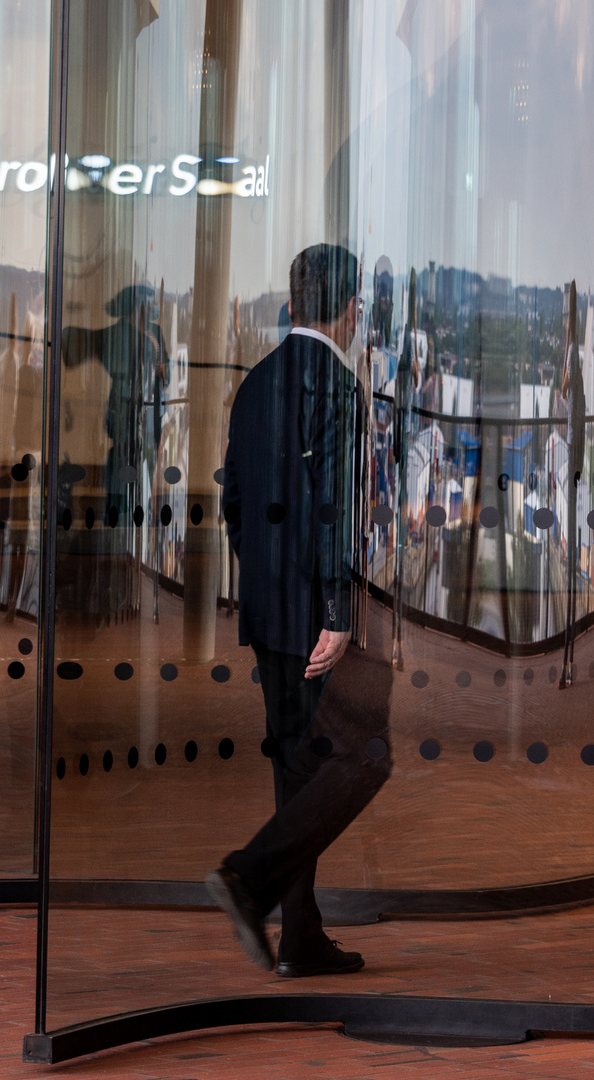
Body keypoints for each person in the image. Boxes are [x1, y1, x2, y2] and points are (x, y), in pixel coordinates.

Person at [207, 244, 393, 978]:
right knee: (362, 757)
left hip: (266, 608)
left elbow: (234, 505)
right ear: (349, 310)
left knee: (296, 766)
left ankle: (302, 938)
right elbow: (334, 517)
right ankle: (248, 879)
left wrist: (265, 583)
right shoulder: (338, 389)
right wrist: (336, 611)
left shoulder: (253, 385)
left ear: (293, 302)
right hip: (317, 614)